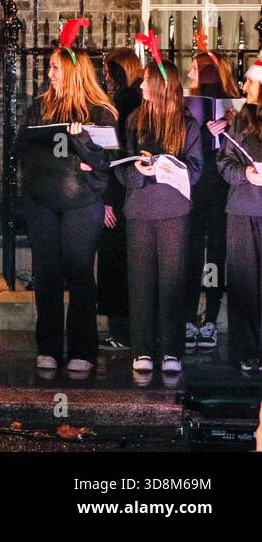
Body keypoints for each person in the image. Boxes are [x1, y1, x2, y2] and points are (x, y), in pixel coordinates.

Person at [14, 20, 116, 374]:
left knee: (79, 274)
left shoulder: (100, 113)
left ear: (72, 71)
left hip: (80, 204)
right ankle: (49, 347)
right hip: (42, 200)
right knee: (46, 274)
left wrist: (82, 144)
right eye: (49, 67)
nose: (49, 73)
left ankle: (83, 350)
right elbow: (21, 147)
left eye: (55, 67)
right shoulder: (40, 106)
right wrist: (64, 161)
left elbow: (106, 163)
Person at [115, 37, 202, 376]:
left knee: (172, 282)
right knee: (140, 282)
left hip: (173, 211)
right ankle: (142, 350)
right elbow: (120, 164)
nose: (141, 87)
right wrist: (136, 170)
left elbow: (195, 170)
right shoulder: (134, 120)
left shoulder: (186, 124)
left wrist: (168, 167)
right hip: (139, 209)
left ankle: (171, 350)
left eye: (146, 83)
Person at [184, 45, 237, 352]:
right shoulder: (190, 104)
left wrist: (227, 128)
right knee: (191, 254)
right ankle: (190, 317)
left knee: (215, 256)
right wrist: (203, 132)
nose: (190, 73)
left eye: (194, 68)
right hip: (194, 187)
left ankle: (210, 320)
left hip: (220, 190)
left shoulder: (235, 106)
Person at [216, 57, 262, 372]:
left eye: (248, 80)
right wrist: (245, 172)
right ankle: (245, 350)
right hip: (242, 208)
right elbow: (224, 161)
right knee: (243, 281)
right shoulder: (241, 118)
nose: (243, 85)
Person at [99, 47, 144, 351]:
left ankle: (121, 331)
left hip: (118, 188)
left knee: (115, 262)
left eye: (107, 69)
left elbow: (114, 152)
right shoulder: (139, 101)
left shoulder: (123, 103)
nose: (105, 75)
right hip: (138, 189)